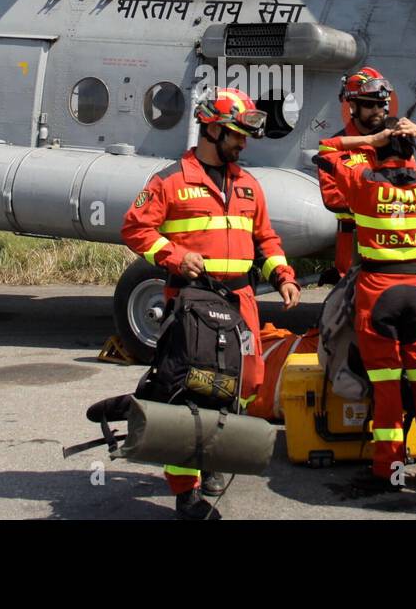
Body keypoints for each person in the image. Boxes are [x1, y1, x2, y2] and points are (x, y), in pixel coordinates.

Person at [121, 87, 301, 520]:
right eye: (237, 135)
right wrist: (176, 257)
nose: (243, 144)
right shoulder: (169, 180)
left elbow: (266, 239)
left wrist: (282, 275)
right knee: (192, 389)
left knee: (247, 383)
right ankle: (187, 491)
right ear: (213, 129)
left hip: (240, 300)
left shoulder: (248, 183)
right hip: (191, 301)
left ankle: (215, 456)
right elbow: (136, 230)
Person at [312, 116, 416, 490]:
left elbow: (326, 149)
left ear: (377, 152)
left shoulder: (362, 182)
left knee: (387, 387)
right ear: (410, 152)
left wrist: (369, 138)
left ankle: (388, 471)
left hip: (377, 291)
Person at [317, 68, 396, 278]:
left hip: (393, 246)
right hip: (354, 249)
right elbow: (332, 197)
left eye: (381, 104)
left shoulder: (396, 143)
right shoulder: (337, 147)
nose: (377, 110)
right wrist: (381, 198)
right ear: (352, 106)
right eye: (369, 104)